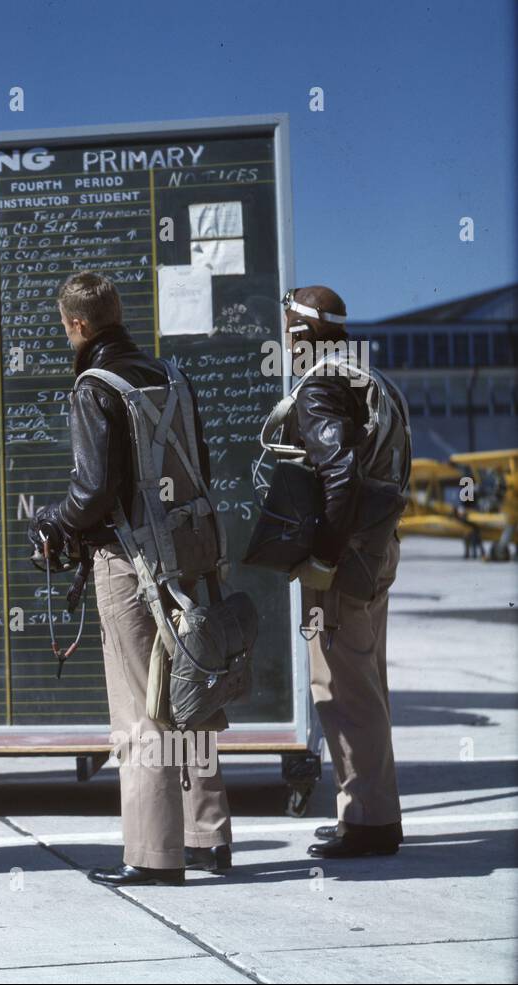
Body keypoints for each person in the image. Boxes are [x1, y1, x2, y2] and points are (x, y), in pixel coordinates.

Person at [31, 272, 232, 887]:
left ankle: (153, 854)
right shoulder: (173, 377)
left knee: (141, 711)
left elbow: (92, 493)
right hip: (191, 552)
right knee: (194, 691)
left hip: (130, 563)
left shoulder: (94, 387)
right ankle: (207, 836)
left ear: (78, 325)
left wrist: (51, 523)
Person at [279, 286, 411, 859]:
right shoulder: (374, 381)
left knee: (342, 687)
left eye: (287, 326)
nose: (283, 338)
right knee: (367, 681)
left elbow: (338, 474)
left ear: (302, 331)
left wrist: (323, 559)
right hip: (380, 547)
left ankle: (366, 823)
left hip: (347, 555)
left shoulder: (323, 385)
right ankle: (375, 813)